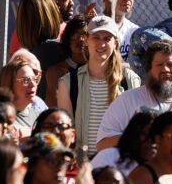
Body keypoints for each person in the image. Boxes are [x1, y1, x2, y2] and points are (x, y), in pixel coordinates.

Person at [95, 37, 172, 152]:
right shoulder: (126, 101)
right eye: (159, 65)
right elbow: (102, 145)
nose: (165, 69)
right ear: (148, 70)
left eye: (170, 64)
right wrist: (138, 138)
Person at [57, 16, 140, 147]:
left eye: (107, 39)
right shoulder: (68, 82)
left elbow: (136, 130)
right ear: (86, 40)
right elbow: (66, 136)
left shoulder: (129, 80)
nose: (101, 44)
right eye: (96, 37)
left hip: (117, 158)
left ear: (115, 43)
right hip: (83, 159)